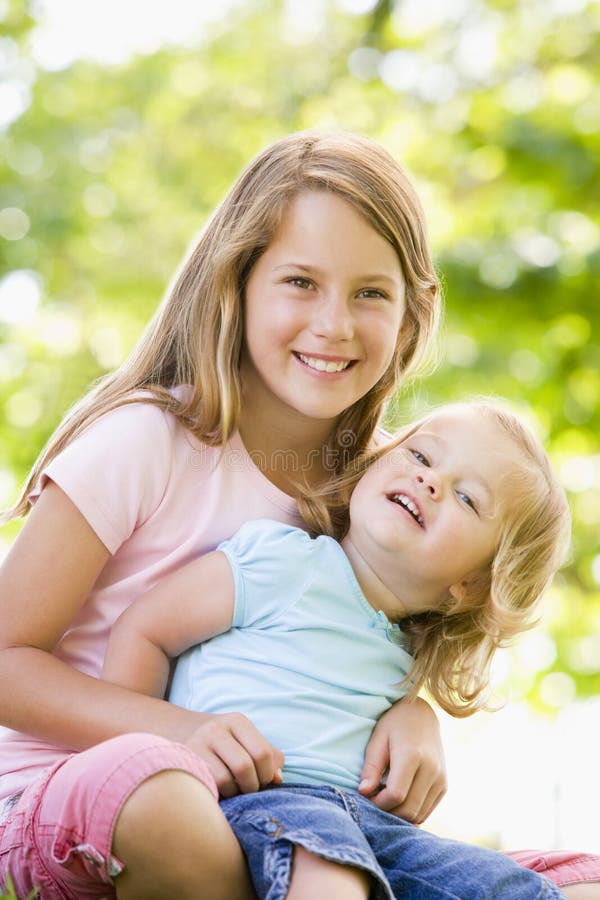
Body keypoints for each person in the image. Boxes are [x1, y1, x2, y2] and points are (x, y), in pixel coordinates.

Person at [0, 130, 445, 900]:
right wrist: (179, 736)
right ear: (234, 285)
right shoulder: (147, 441)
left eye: (371, 293)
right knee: (168, 801)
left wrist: (414, 712)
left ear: (411, 316)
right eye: (300, 282)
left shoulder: (385, 490)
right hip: (74, 792)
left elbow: (360, 649)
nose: (335, 325)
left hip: (286, 815)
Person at [101, 399, 583, 899]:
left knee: (520, 889)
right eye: (421, 456)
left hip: (372, 830)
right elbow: (145, 630)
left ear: (472, 585)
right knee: (334, 877)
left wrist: (417, 710)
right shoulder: (285, 562)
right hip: (266, 800)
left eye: (466, 498)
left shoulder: (409, 653)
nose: (429, 481)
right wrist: (134, 763)